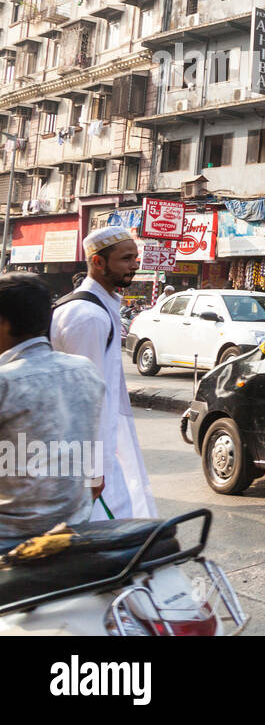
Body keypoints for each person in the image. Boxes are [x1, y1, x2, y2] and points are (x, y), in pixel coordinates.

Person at [48, 226, 156, 521]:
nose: (135, 264)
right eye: (126, 258)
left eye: (136, 257)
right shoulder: (87, 316)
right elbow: (84, 400)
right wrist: (92, 470)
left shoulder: (99, 307)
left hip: (101, 454)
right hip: (87, 463)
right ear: (98, 262)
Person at [0, 274, 107, 539]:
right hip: (74, 527)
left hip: (12, 535)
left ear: (2, 323)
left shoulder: (6, 381)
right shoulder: (85, 370)